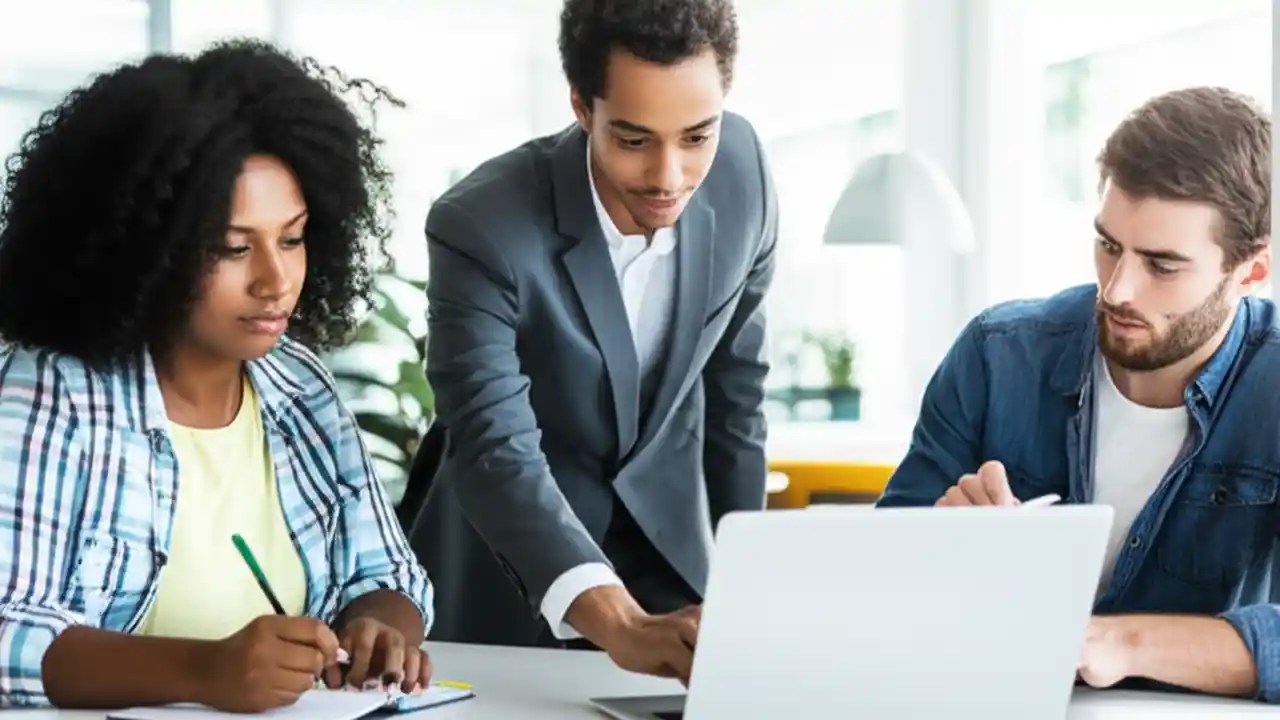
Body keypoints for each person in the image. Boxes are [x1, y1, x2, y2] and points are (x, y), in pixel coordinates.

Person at [0, 40, 433, 711]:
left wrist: (382, 626)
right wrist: (203, 672)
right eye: (233, 248)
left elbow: (386, 571)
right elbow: (7, 632)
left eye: (291, 238)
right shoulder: (55, 391)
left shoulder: (298, 387)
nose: (276, 279)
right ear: (145, 247)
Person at [413, 0, 775, 682]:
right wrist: (618, 622)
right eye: (635, 140)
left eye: (697, 137)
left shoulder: (745, 169)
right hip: (515, 581)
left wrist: (742, 587)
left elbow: (737, 397)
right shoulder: (481, 225)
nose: (669, 178)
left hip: (675, 569)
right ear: (583, 107)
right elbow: (496, 446)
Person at [878, 87, 1277, 704]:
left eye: (1163, 266)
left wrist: (1115, 644)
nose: (1117, 290)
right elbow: (878, 585)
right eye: (1108, 245)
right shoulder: (996, 356)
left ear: (1250, 270)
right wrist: (943, 549)